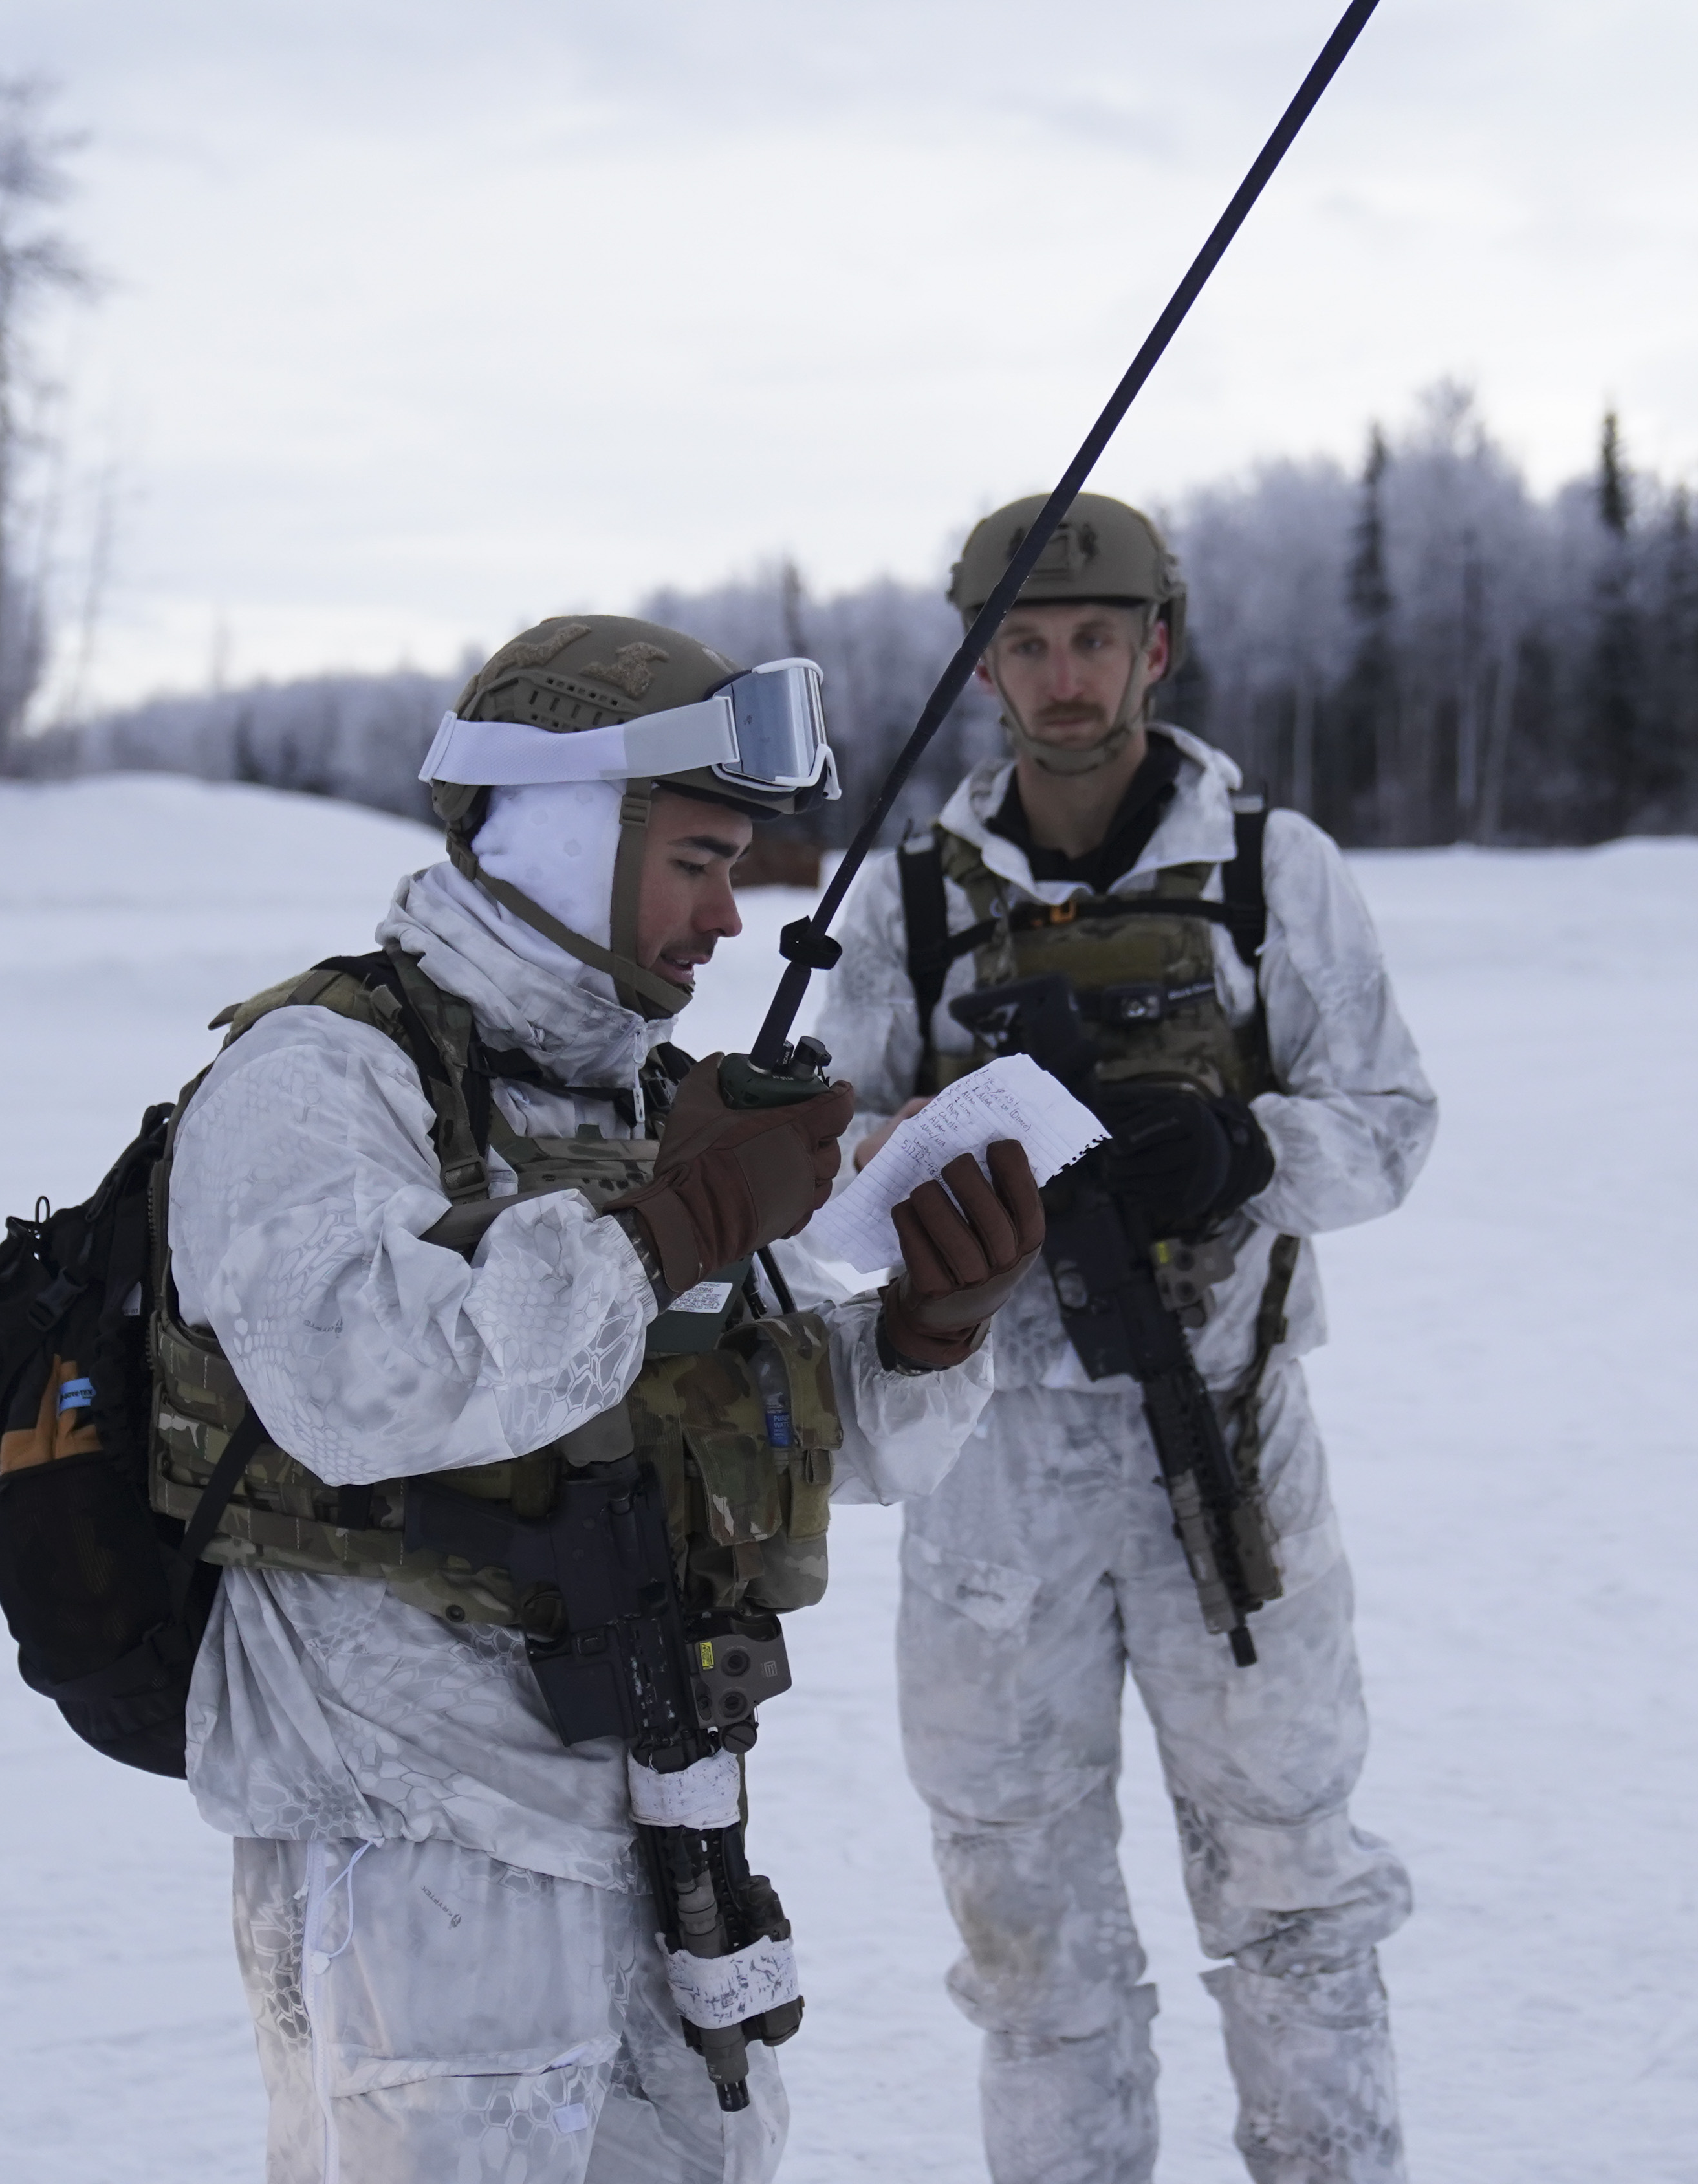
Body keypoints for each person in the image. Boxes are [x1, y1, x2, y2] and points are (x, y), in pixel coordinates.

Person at [160, 613, 1046, 2183]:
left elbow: (761, 1431)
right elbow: (362, 1377)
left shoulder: (640, 1100)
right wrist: (676, 1223)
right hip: (416, 1831)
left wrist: (924, 1333)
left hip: (659, 1806)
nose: (727, 910)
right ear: (575, 830)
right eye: (698, 858)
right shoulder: (320, 1074)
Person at [803, 495, 1439, 2184]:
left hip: (1229, 1439)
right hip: (988, 1457)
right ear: (984, 663)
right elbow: (809, 1158)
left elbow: (1386, 1122)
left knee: (1295, 1892)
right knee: (1025, 1922)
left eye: (1097, 638)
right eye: (1028, 642)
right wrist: (926, 1150)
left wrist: (1242, 1150)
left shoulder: (1263, 868)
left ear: (1157, 647)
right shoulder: (908, 903)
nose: (1065, 676)